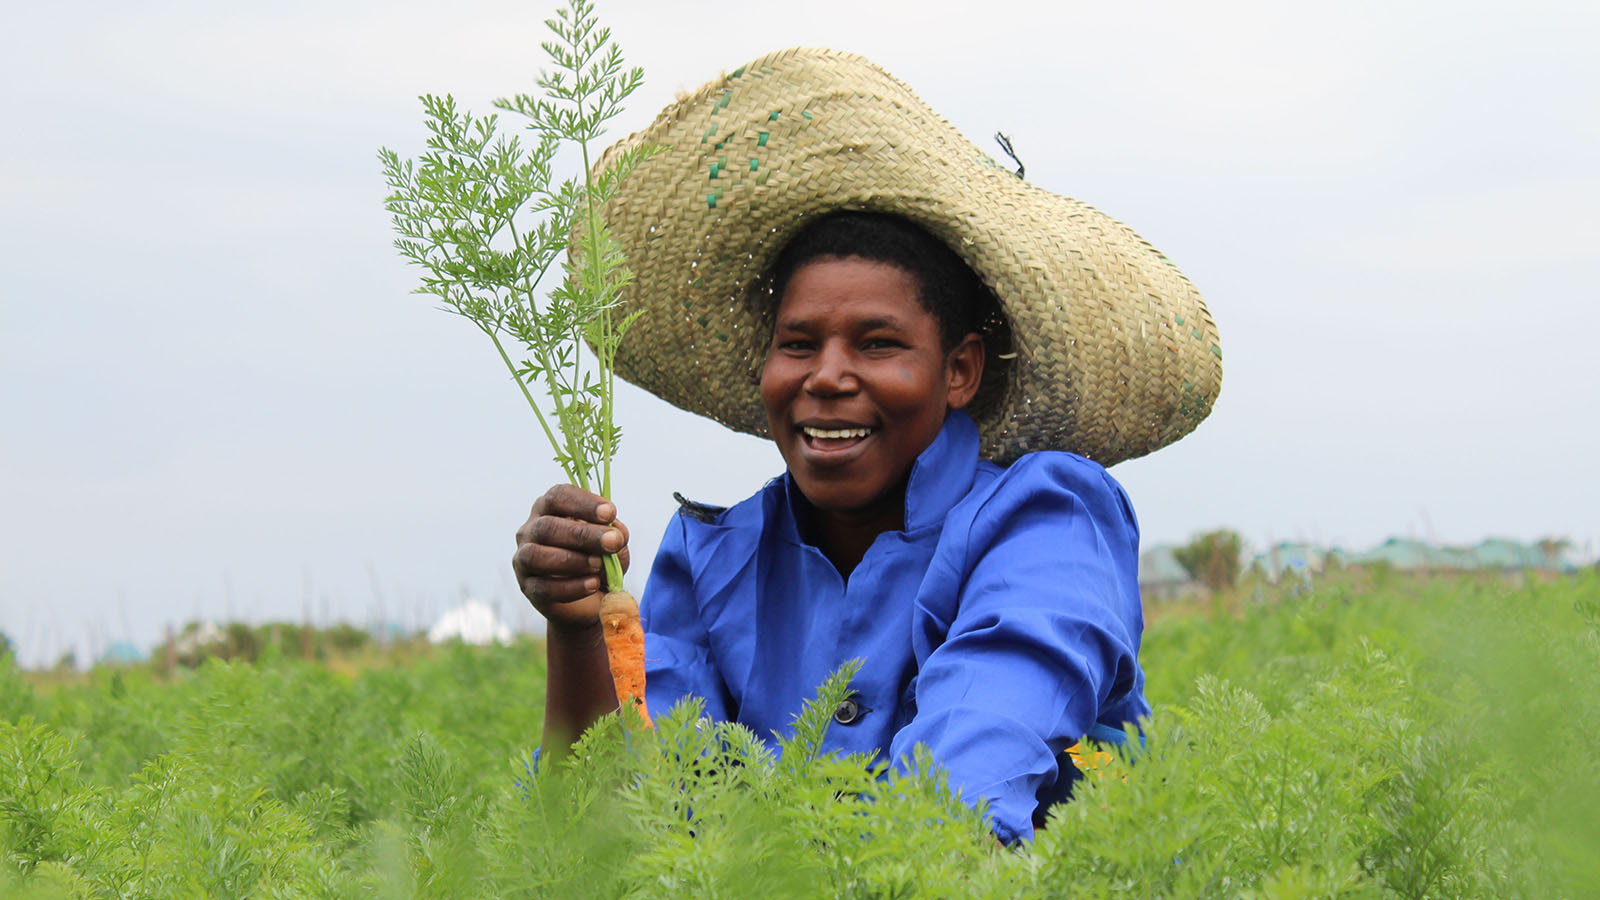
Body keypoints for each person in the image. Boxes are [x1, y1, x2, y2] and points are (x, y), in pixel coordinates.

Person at [513, 48, 1221, 845]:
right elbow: (610, 831)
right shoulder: (711, 561)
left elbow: (952, 809)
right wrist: (577, 631)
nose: (828, 376)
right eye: (799, 343)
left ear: (958, 370)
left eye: (878, 343)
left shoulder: (1045, 522)